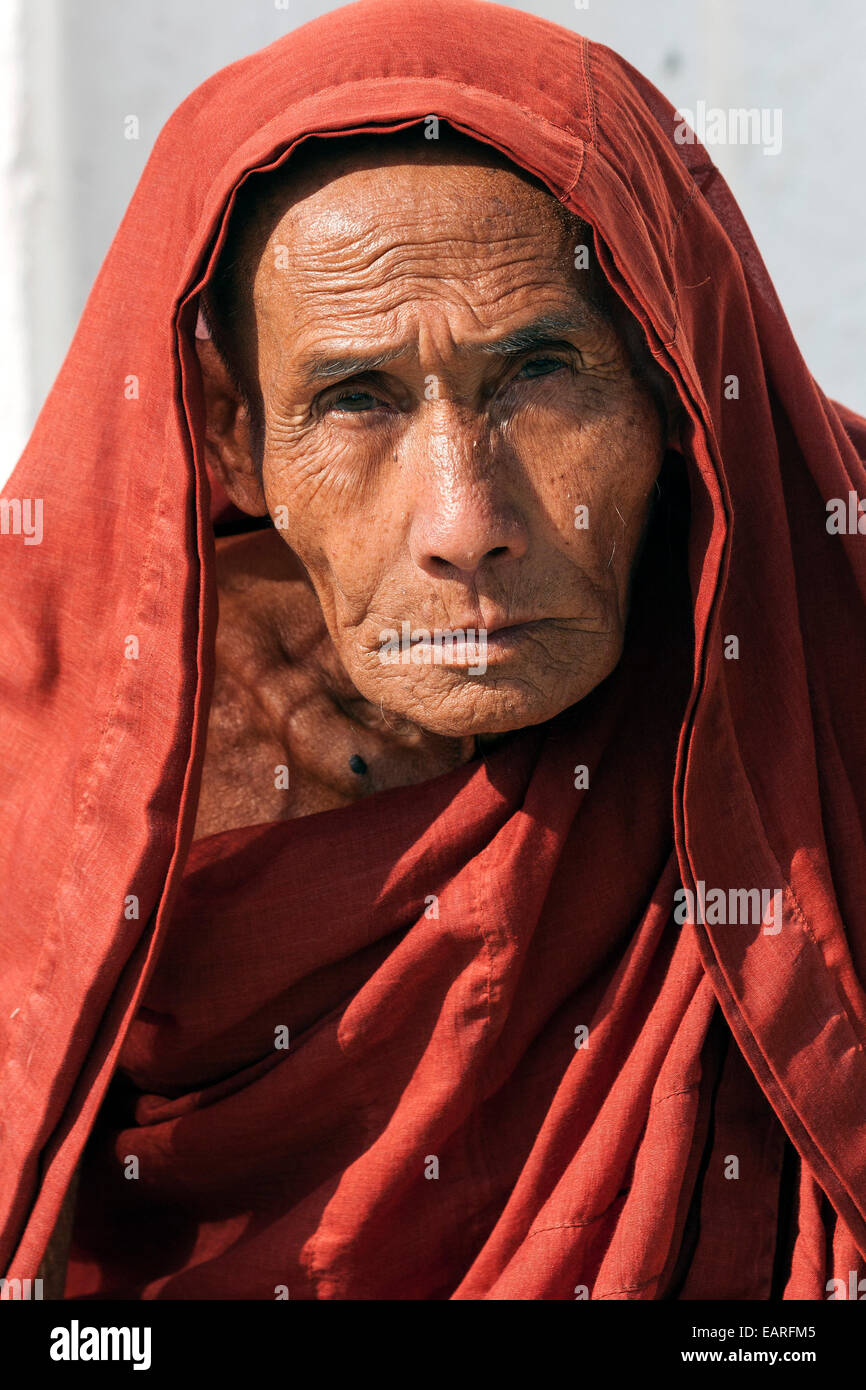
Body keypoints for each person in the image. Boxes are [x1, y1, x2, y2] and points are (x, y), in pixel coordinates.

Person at [2, 0, 865, 1301]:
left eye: (539, 373)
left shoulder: (827, 613)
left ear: (675, 386)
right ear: (232, 437)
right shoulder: (56, 753)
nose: (466, 523)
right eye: (355, 400)